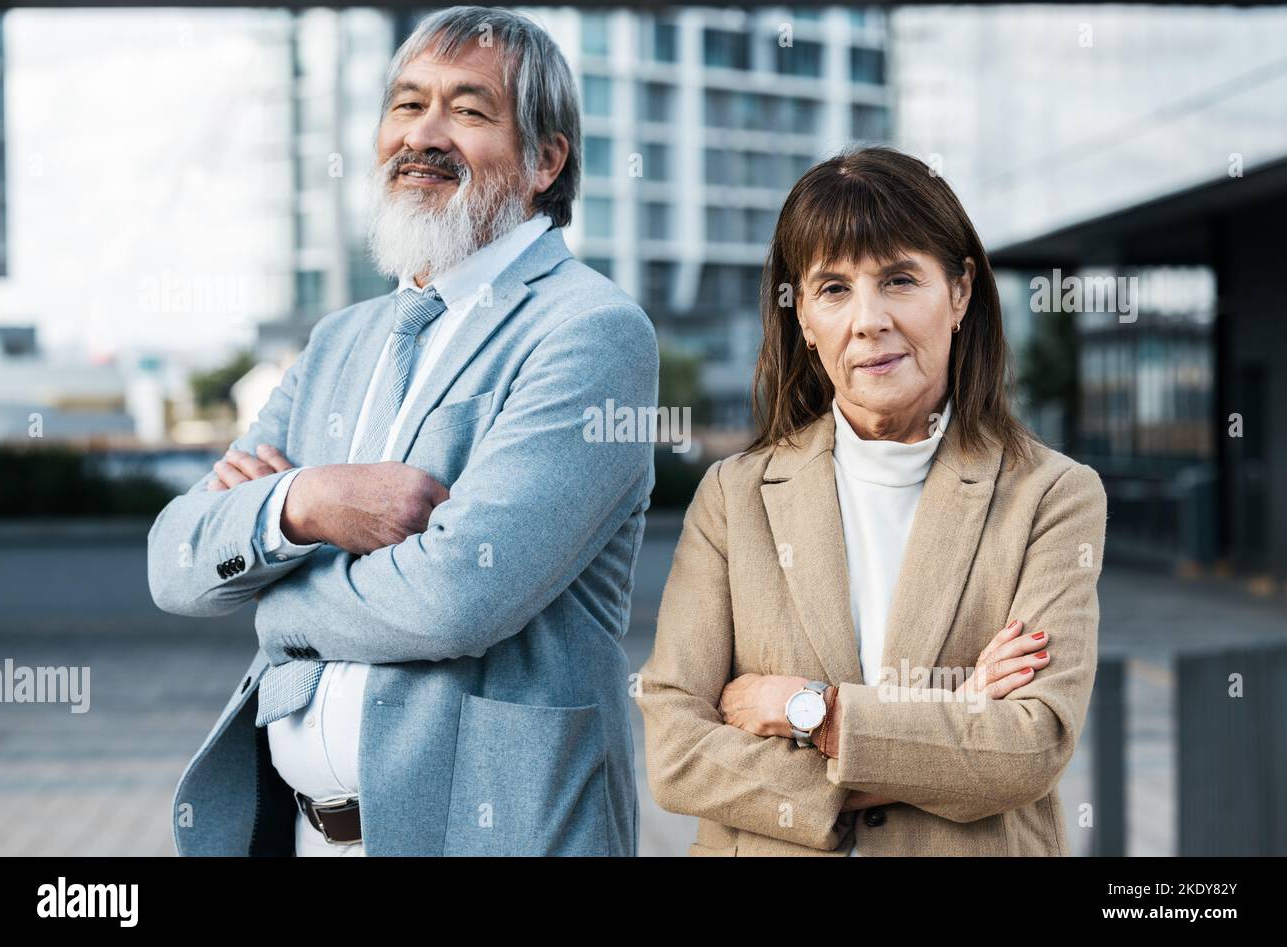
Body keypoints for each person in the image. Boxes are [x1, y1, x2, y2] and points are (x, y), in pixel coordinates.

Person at [149, 6, 657, 856]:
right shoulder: (339, 341)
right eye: (405, 104)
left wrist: (277, 604)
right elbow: (175, 559)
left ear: (545, 160)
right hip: (304, 836)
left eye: (468, 110)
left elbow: (456, 597)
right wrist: (302, 503)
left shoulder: (591, 331)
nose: (423, 135)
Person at [637, 146, 1108, 856]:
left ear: (960, 292)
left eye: (898, 278)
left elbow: (1028, 746)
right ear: (803, 317)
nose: (868, 320)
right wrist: (953, 717)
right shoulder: (735, 497)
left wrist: (808, 711)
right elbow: (676, 752)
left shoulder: (1051, 496)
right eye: (833, 288)